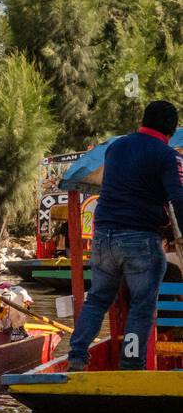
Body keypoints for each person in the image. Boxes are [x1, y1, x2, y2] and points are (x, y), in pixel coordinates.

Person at [68, 100, 183, 372]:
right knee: (142, 305)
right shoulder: (166, 155)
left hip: (103, 236)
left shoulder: (116, 148)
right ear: (170, 129)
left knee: (96, 299)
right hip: (140, 238)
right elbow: (178, 199)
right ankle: (131, 363)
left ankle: (76, 356)